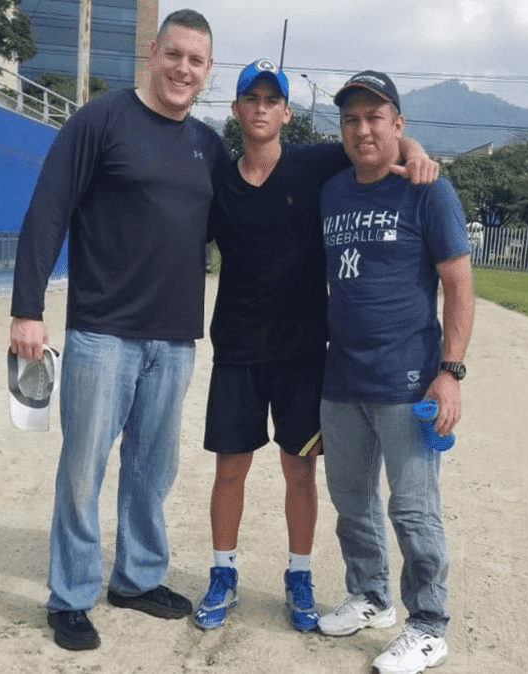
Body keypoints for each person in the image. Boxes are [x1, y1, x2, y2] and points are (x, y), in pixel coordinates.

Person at [193, 60, 440, 633]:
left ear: (285, 112)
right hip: (237, 352)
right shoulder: (219, 180)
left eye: (270, 100)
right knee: (230, 469)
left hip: (304, 352)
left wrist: (419, 150)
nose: (259, 108)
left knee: (298, 471)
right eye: (248, 99)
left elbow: (381, 140)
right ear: (235, 111)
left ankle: (299, 576)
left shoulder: (313, 164)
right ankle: (222, 572)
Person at [9, 10, 227, 651]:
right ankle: (71, 595)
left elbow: (250, 206)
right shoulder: (99, 121)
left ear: (207, 70)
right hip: (102, 335)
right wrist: (27, 309)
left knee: (152, 470)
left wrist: (406, 154)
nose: (184, 69)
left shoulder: (208, 146)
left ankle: (135, 578)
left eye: (197, 60)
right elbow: (47, 210)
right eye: (175, 54)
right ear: (153, 51)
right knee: (83, 470)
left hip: (175, 340)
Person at [316, 71, 474, 674]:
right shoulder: (332, 191)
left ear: (399, 124)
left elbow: (459, 284)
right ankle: (372, 595)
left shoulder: (428, 190)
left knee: (412, 510)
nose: (362, 129)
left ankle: (429, 624)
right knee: (352, 501)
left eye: (375, 118)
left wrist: (450, 372)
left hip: (407, 381)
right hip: (343, 378)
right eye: (351, 119)